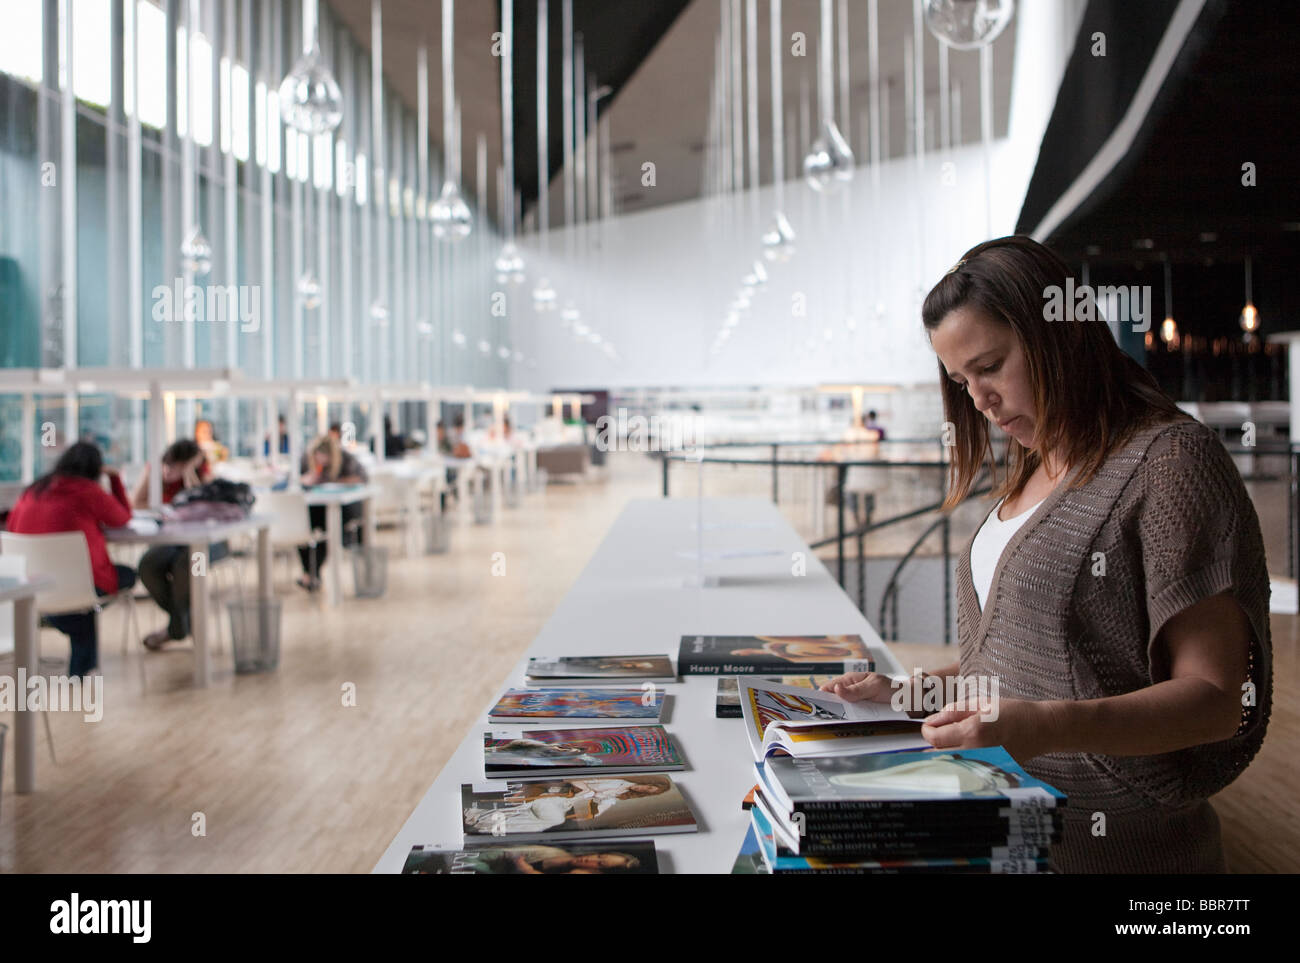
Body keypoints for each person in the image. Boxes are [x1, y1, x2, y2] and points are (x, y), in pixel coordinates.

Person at [822, 235, 1272, 874]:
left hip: (1123, 857)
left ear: (1058, 335)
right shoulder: (1030, 466)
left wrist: (1043, 726)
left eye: (991, 366)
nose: (978, 399)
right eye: (960, 380)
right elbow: (1024, 669)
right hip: (1007, 834)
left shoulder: (1170, 463)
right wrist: (903, 693)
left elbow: (1217, 700)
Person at [5, 442, 136, 676]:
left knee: (77, 604)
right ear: (97, 469)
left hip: (32, 586)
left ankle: (60, 621)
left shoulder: (33, 490)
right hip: (81, 586)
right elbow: (123, 518)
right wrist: (115, 480)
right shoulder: (89, 491)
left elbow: (13, 529)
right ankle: (79, 665)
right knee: (125, 576)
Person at [132, 440, 226, 650]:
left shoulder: (203, 472)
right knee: (148, 565)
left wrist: (189, 473)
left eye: (178, 465)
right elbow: (136, 502)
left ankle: (175, 629)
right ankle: (181, 624)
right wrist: (168, 508)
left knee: (190, 565)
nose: (170, 470)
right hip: (171, 539)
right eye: (170, 464)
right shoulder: (155, 470)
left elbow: (204, 501)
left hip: (209, 542)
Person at [296, 433, 368, 591]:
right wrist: (306, 479)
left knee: (326, 528)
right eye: (317, 457)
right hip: (314, 508)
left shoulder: (346, 459)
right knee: (303, 528)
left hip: (342, 509)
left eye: (324, 457)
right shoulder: (305, 460)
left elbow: (363, 478)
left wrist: (334, 481)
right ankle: (311, 574)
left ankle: (310, 574)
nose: (320, 461)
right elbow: (294, 480)